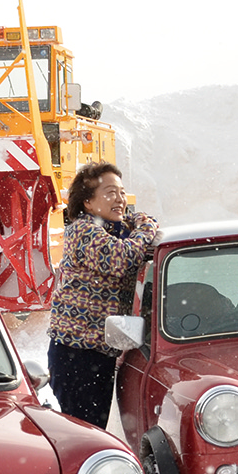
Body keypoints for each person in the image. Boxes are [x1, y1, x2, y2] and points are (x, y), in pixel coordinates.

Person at [47, 162, 160, 428]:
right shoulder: (83, 231)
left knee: (96, 429)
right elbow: (120, 258)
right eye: (110, 193)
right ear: (87, 202)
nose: (119, 199)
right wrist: (145, 229)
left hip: (101, 352)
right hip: (76, 354)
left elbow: (141, 231)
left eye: (121, 192)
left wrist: (141, 223)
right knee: (83, 431)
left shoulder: (116, 231)